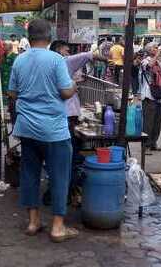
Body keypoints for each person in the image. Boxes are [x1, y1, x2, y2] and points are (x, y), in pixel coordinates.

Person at [7, 19, 78, 243]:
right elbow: (66, 93)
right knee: (59, 176)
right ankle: (57, 227)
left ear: (28, 37)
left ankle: (33, 221)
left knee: (30, 174)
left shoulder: (20, 60)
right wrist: (74, 85)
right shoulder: (56, 60)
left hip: (27, 128)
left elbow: (12, 93)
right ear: (49, 37)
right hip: (54, 130)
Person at [51, 40, 108, 198]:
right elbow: (88, 55)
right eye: (67, 50)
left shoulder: (51, 66)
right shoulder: (64, 62)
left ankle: (59, 190)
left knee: (61, 157)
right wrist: (104, 57)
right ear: (59, 51)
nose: (68, 53)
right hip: (67, 117)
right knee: (70, 156)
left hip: (57, 116)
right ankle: (67, 191)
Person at [139, 43, 161, 152]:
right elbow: (148, 67)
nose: (157, 49)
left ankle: (153, 142)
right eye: (154, 48)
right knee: (148, 122)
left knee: (157, 121)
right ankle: (146, 146)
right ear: (148, 50)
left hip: (159, 94)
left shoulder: (159, 62)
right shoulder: (145, 60)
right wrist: (157, 55)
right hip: (148, 95)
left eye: (157, 48)